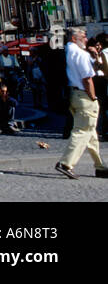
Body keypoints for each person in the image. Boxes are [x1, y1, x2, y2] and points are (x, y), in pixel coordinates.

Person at [55, 27, 106, 179]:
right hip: (84, 95)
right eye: (83, 37)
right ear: (74, 38)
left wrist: (95, 56)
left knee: (91, 133)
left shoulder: (66, 51)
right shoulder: (81, 54)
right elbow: (88, 78)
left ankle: (100, 166)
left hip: (73, 93)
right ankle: (65, 163)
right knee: (82, 131)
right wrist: (93, 97)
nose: (86, 39)